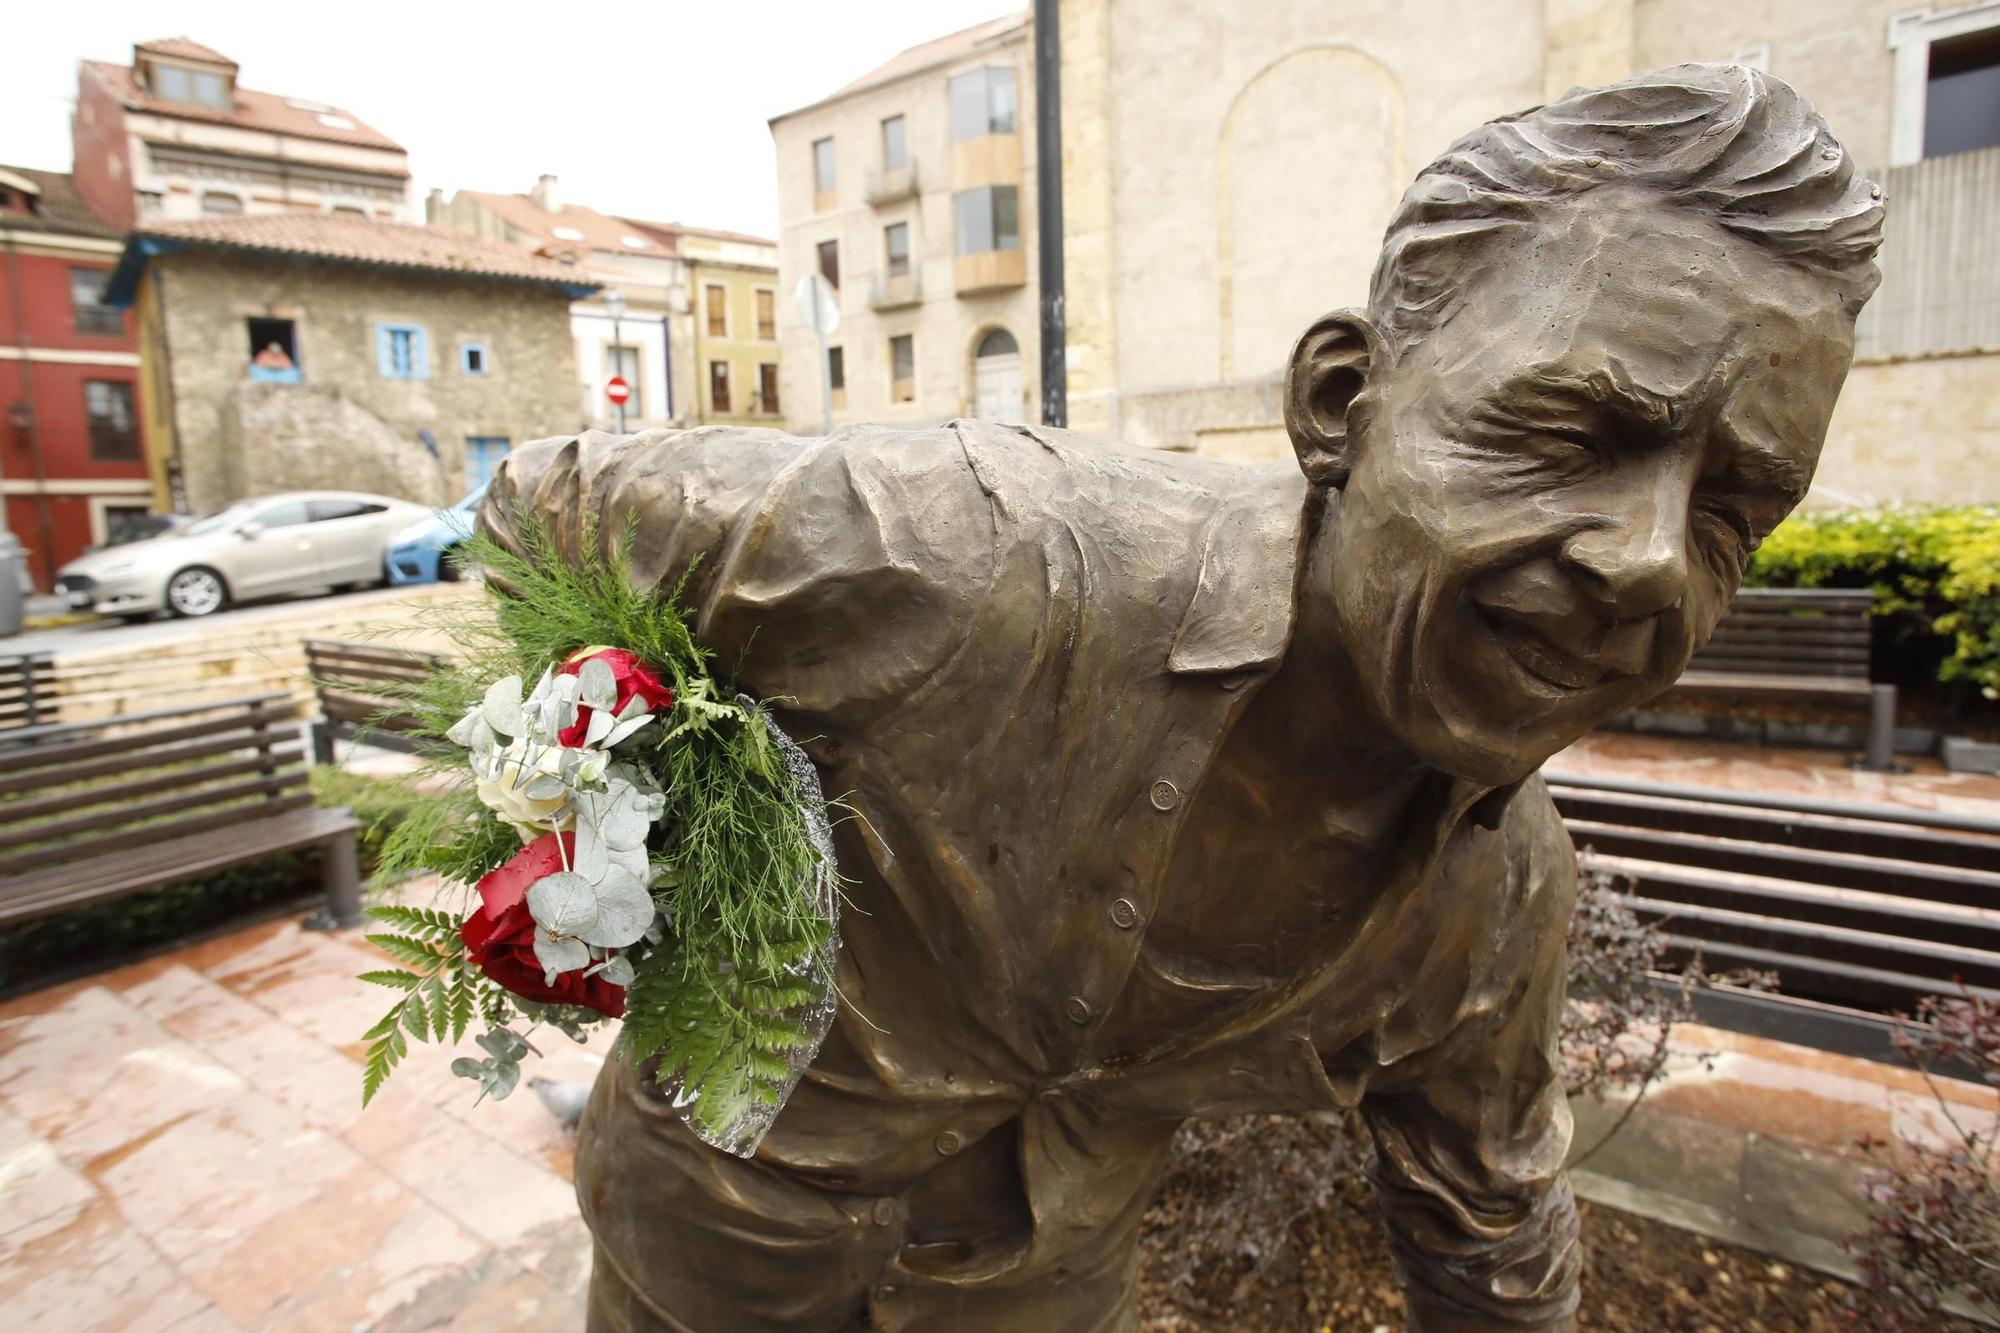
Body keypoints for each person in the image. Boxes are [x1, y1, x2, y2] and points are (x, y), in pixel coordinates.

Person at [484, 64, 1882, 1333]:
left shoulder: (1496, 901)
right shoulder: (949, 550)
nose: (1650, 562)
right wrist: (616, 803)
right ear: (1343, 402)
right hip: (704, 1271)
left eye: (1735, 511)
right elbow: (540, 505)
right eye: (1575, 432)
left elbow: (1493, 1225)